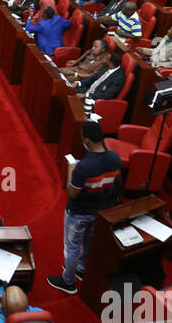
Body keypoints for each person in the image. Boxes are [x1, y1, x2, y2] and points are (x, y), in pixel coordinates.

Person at [48, 120, 122, 294]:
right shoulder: (115, 158)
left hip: (78, 213)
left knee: (72, 248)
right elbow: (116, 183)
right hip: (100, 211)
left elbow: (72, 193)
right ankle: (81, 268)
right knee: (88, 242)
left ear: (87, 140)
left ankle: (68, 282)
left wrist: (71, 171)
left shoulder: (83, 167)